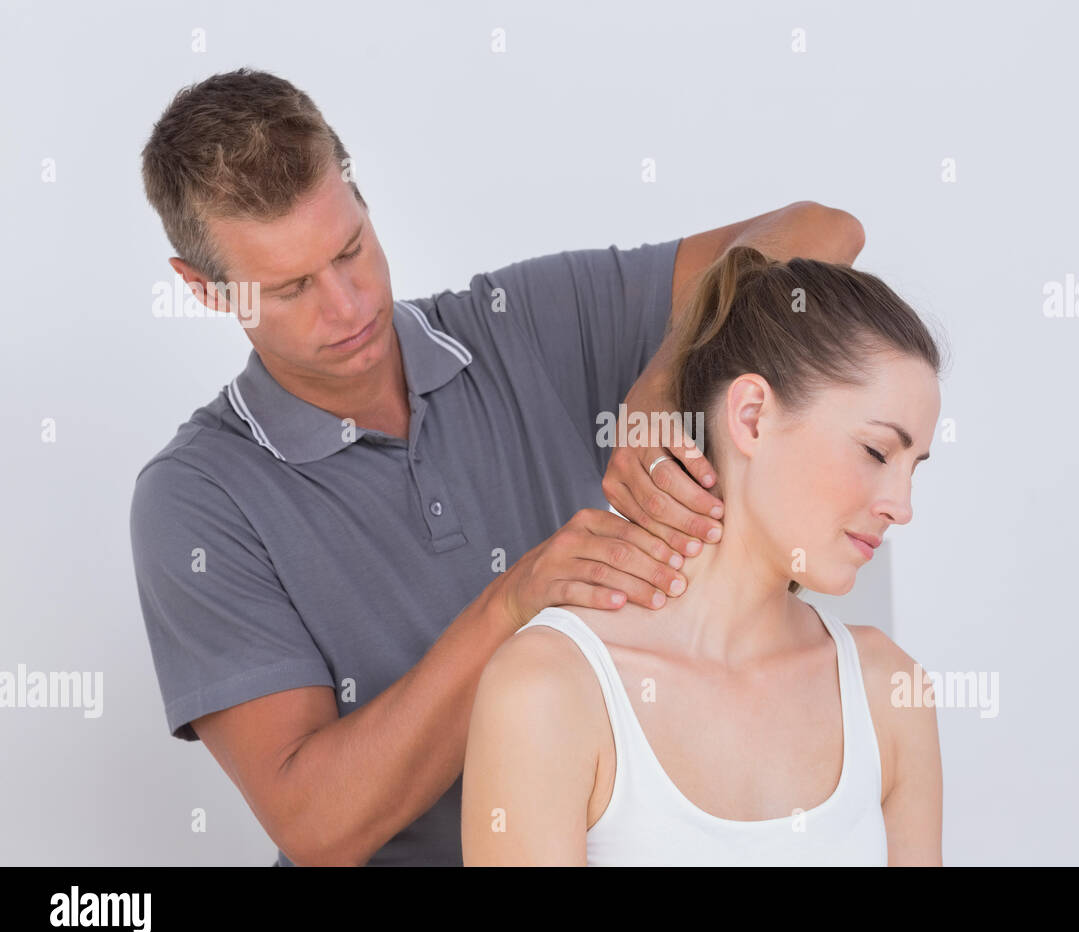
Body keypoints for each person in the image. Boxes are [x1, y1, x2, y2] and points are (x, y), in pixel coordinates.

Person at [127, 67, 866, 866]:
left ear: (362, 201)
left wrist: (667, 372)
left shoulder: (522, 325)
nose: (347, 306)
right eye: (292, 288)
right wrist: (512, 601)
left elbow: (824, 232)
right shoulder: (196, 500)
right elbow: (318, 827)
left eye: (351, 250)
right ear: (203, 291)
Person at [462, 245, 945, 865]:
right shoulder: (552, 689)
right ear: (750, 417)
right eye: (878, 453)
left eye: (914, 468)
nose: (901, 507)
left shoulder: (889, 690)